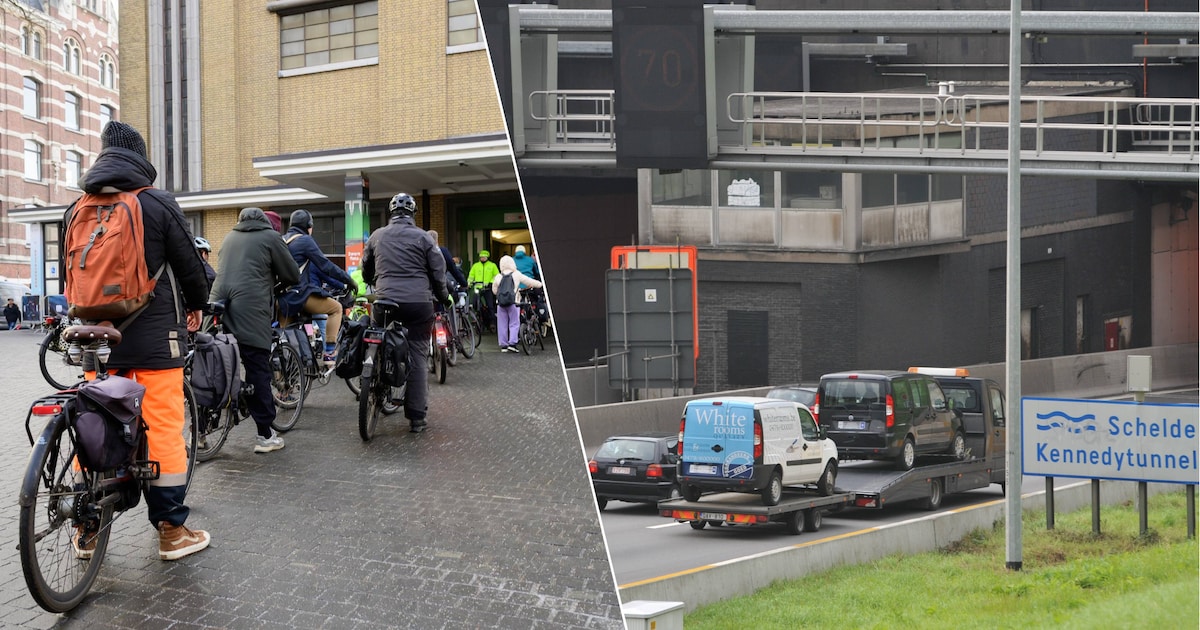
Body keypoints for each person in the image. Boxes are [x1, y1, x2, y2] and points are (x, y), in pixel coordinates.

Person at [68, 121, 212, 561]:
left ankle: (87, 530)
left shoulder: (77, 208)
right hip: (154, 343)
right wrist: (200, 300)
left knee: (93, 423)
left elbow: (69, 276)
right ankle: (171, 530)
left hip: (98, 340)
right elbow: (191, 270)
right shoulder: (156, 203)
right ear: (140, 157)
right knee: (165, 427)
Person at [209, 207, 300, 454]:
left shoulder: (229, 236)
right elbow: (292, 274)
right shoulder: (270, 237)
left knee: (216, 358)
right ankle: (265, 435)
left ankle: (204, 427)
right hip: (249, 306)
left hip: (218, 303)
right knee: (257, 364)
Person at [361, 192, 448, 433]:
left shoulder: (377, 236)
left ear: (391, 213)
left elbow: (366, 268)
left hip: (385, 299)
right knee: (418, 354)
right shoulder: (424, 238)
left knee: (378, 335)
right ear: (413, 213)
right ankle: (416, 418)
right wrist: (442, 297)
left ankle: (376, 372)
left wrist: (373, 281)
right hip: (418, 303)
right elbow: (438, 273)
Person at [281, 209, 358, 363]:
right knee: (335, 308)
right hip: (300, 297)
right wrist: (348, 280)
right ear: (308, 226)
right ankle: (329, 353)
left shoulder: (281, 241)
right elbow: (325, 266)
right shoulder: (304, 240)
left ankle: (283, 380)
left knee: (284, 339)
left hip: (282, 299)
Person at [492, 254, 543, 353]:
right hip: (514, 302)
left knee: (502, 324)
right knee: (514, 323)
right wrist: (540, 284)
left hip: (501, 304)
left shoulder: (498, 276)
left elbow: (494, 291)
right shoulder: (516, 274)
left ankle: (503, 346)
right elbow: (529, 282)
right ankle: (512, 343)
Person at [466, 249, 500, 330]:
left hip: (487, 288)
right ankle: (478, 316)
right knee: (474, 302)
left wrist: (491, 282)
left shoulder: (492, 265)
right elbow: (471, 276)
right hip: (478, 288)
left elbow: (497, 276)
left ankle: (492, 322)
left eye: (484, 257)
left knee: (490, 305)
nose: (482, 258)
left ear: (487, 257)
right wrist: (469, 284)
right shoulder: (475, 266)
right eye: (481, 257)